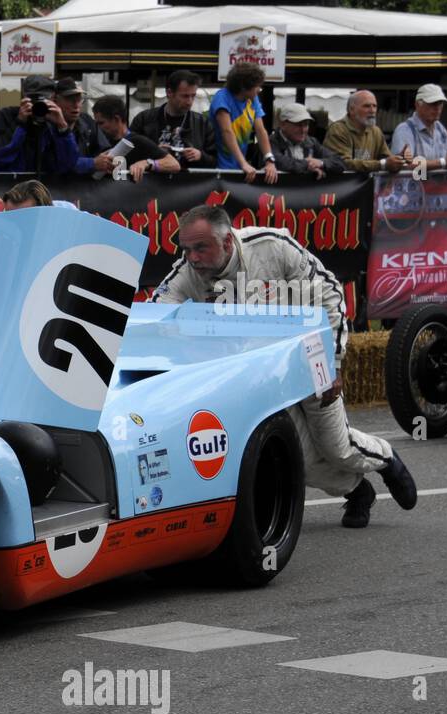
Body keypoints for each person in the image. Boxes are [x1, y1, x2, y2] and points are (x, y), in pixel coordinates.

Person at [149, 205, 418, 528]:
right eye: (186, 248)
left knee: (338, 448)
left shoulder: (272, 245)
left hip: (310, 359)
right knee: (299, 459)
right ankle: (358, 490)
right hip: (266, 382)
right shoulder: (186, 271)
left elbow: (329, 295)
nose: (192, 257)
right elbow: (155, 317)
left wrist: (332, 363)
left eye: (201, 247)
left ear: (227, 243)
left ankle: (387, 459)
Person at [0, 74, 78, 175]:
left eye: (44, 101)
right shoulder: (8, 116)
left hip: (42, 188)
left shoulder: (53, 121)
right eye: (35, 100)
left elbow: (68, 164)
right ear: (24, 98)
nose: (39, 106)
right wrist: (20, 123)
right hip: (10, 186)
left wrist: (63, 127)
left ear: (53, 100)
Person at [130, 69, 217, 170]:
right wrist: (154, 153)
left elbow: (214, 161)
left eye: (193, 96)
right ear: (169, 93)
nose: (190, 102)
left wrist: (201, 156)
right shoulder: (144, 120)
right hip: (152, 182)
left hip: (189, 183)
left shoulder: (203, 123)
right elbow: (130, 153)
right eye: (185, 96)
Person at [210, 63, 278, 183]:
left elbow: (261, 131)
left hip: (240, 167)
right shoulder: (222, 97)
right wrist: (243, 163)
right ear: (243, 87)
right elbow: (227, 131)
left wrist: (269, 161)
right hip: (219, 167)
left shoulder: (252, 99)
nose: (259, 90)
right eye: (257, 86)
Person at [91, 96, 181, 182]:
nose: (98, 128)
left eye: (101, 123)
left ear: (116, 119)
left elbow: (174, 165)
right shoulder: (99, 142)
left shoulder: (138, 141)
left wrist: (147, 164)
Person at [323, 90, 409, 174]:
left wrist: (399, 159)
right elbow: (342, 163)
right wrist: (382, 165)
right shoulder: (338, 129)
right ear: (352, 110)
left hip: (368, 186)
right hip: (342, 186)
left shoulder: (375, 131)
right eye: (367, 106)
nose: (372, 110)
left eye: (374, 106)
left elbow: (386, 158)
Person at [390, 84, 447, 171]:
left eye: (440, 103)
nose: (437, 108)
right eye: (432, 103)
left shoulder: (440, 129)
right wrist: (443, 162)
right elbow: (403, 165)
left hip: (436, 184)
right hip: (412, 184)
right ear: (417, 105)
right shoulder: (405, 130)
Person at [270, 103, 343, 179]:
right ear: (283, 125)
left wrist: (320, 163)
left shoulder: (312, 142)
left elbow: (339, 162)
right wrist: (308, 165)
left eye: (306, 124)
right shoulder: (270, 142)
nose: (303, 130)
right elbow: (279, 162)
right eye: (298, 125)